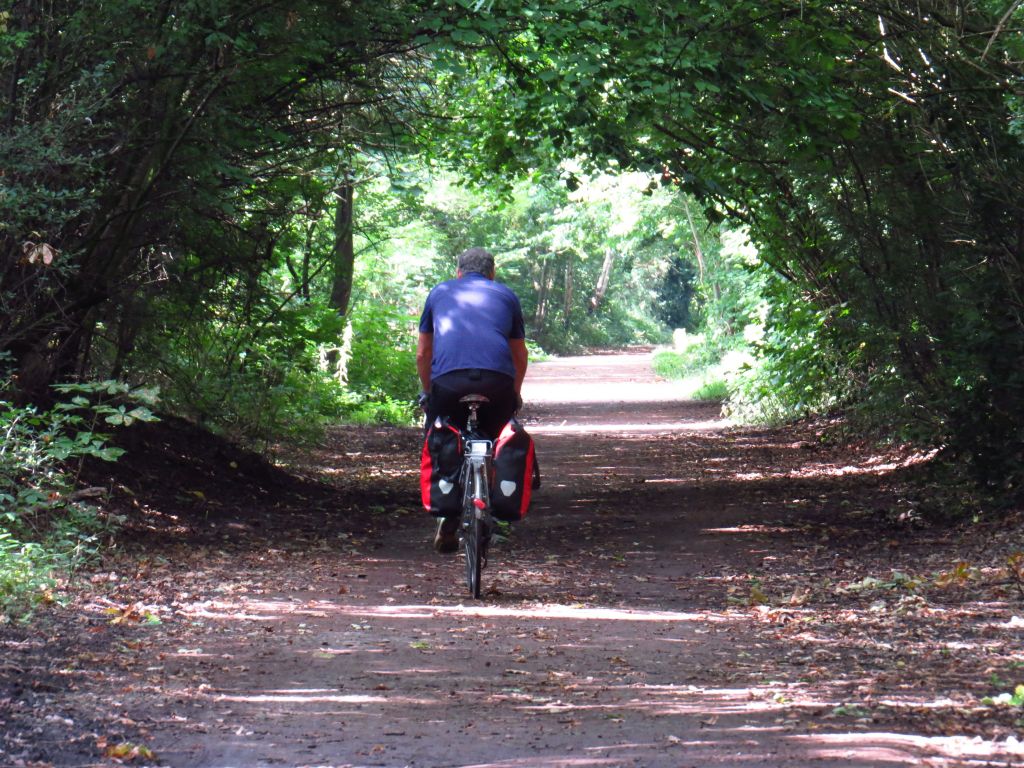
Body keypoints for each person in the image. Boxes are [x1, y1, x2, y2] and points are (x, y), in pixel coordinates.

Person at [417, 246, 528, 553]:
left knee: (441, 432)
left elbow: (423, 353)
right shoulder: (506, 296)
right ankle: (489, 502)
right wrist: (514, 393)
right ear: (492, 274)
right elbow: (519, 355)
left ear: (458, 272)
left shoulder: (439, 293)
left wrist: (428, 393)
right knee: (495, 436)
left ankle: (447, 509)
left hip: (448, 381)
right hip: (497, 381)